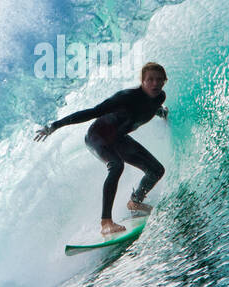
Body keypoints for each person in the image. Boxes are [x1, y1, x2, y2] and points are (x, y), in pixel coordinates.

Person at [35, 62, 170, 236]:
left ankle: (135, 202)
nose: (155, 84)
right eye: (150, 79)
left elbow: (149, 108)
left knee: (156, 170)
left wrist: (162, 113)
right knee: (116, 165)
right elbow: (93, 112)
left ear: (164, 81)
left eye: (159, 80)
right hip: (97, 136)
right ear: (142, 81)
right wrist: (54, 126)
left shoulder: (159, 98)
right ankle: (106, 222)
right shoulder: (126, 97)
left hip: (119, 139)